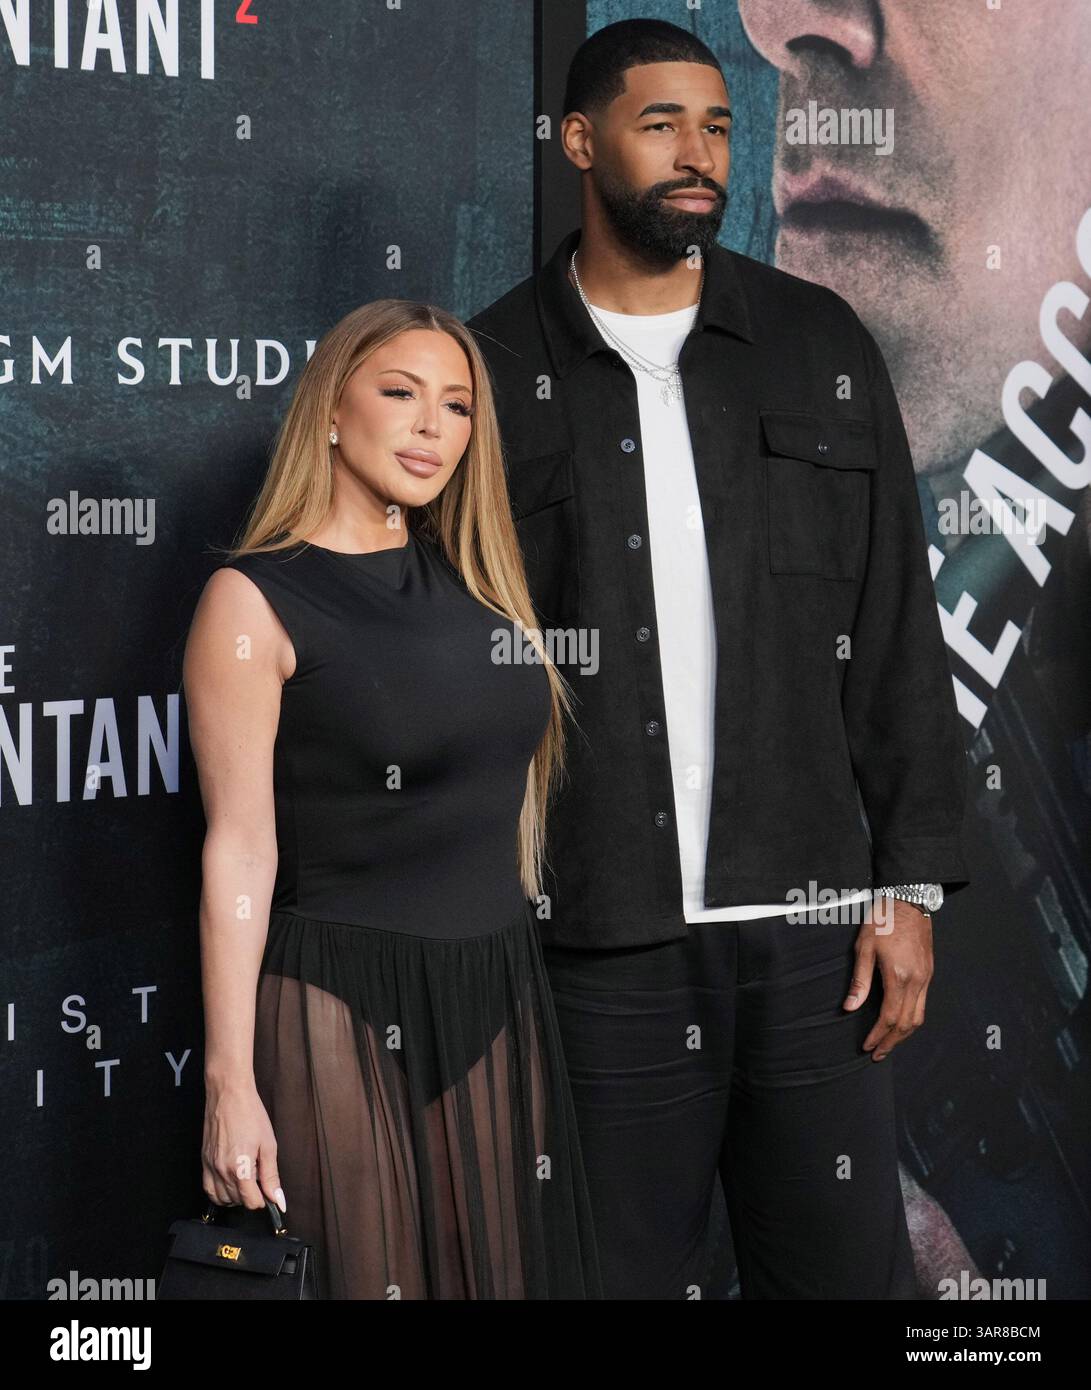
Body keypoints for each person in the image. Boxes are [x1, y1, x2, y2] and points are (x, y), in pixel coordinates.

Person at [466, 18, 970, 1299]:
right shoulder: (487, 369)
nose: (699, 156)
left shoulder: (819, 346)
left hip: (813, 942)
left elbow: (896, 631)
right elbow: (446, 662)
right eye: (659, 125)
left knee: (842, 1281)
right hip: (598, 939)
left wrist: (908, 882)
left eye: (718, 126)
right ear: (578, 141)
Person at [182, 299, 602, 1299]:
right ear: (331, 408)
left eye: (456, 406)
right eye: (401, 394)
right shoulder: (252, 601)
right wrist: (228, 1082)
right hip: (336, 1003)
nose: (431, 427)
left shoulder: (478, 583)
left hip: (494, 992)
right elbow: (239, 850)